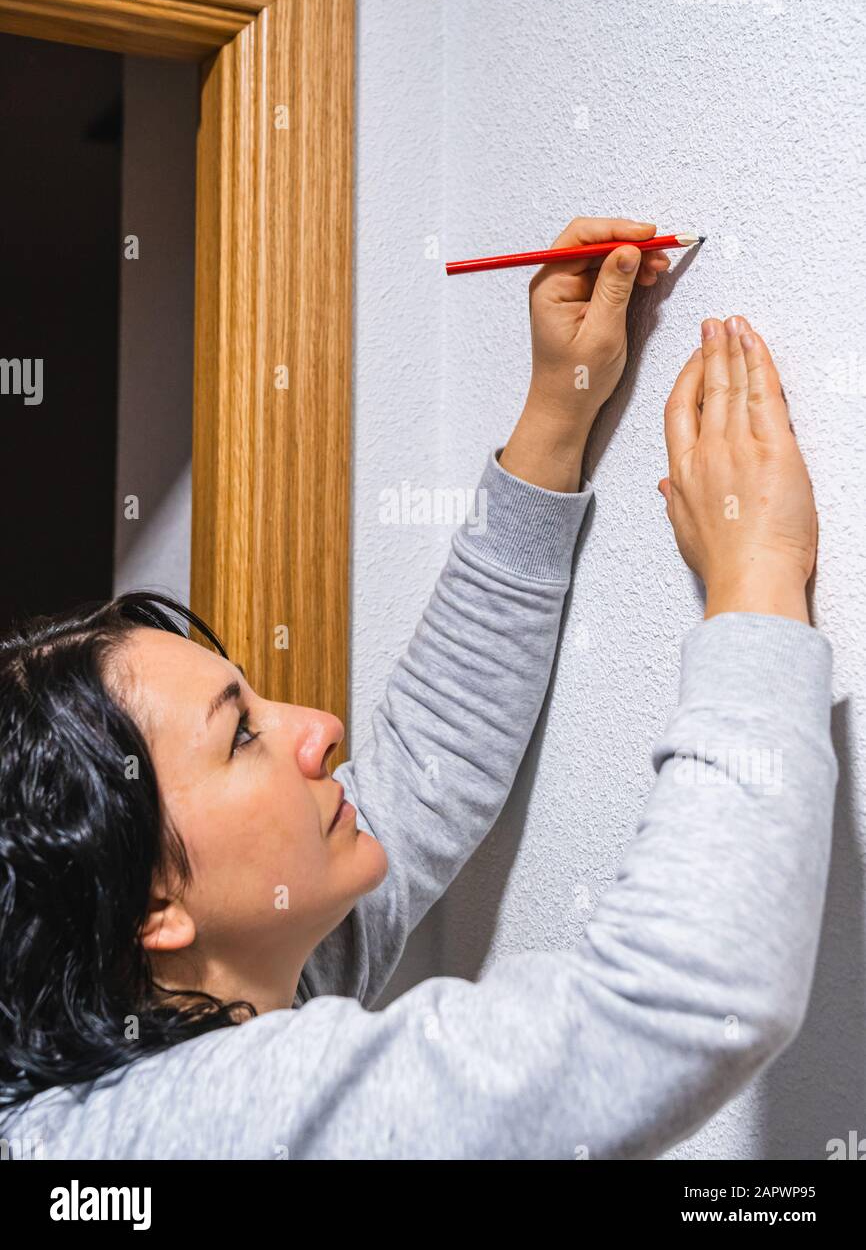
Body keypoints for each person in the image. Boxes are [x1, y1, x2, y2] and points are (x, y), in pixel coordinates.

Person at [0, 218, 836, 1160]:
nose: (320, 729)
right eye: (242, 737)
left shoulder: (236, 980)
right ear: (156, 913)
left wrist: (559, 412)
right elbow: (670, 1012)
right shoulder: (181, 1128)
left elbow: (428, 765)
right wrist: (759, 579)